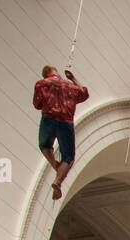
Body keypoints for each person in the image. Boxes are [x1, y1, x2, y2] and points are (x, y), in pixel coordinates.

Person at [33, 65, 89, 200]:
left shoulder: (41, 84)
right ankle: (57, 181)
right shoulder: (70, 86)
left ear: (45, 75)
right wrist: (73, 78)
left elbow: (37, 104)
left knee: (44, 146)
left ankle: (55, 166)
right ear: (56, 72)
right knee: (68, 157)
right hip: (66, 122)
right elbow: (85, 94)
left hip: (49, 120)